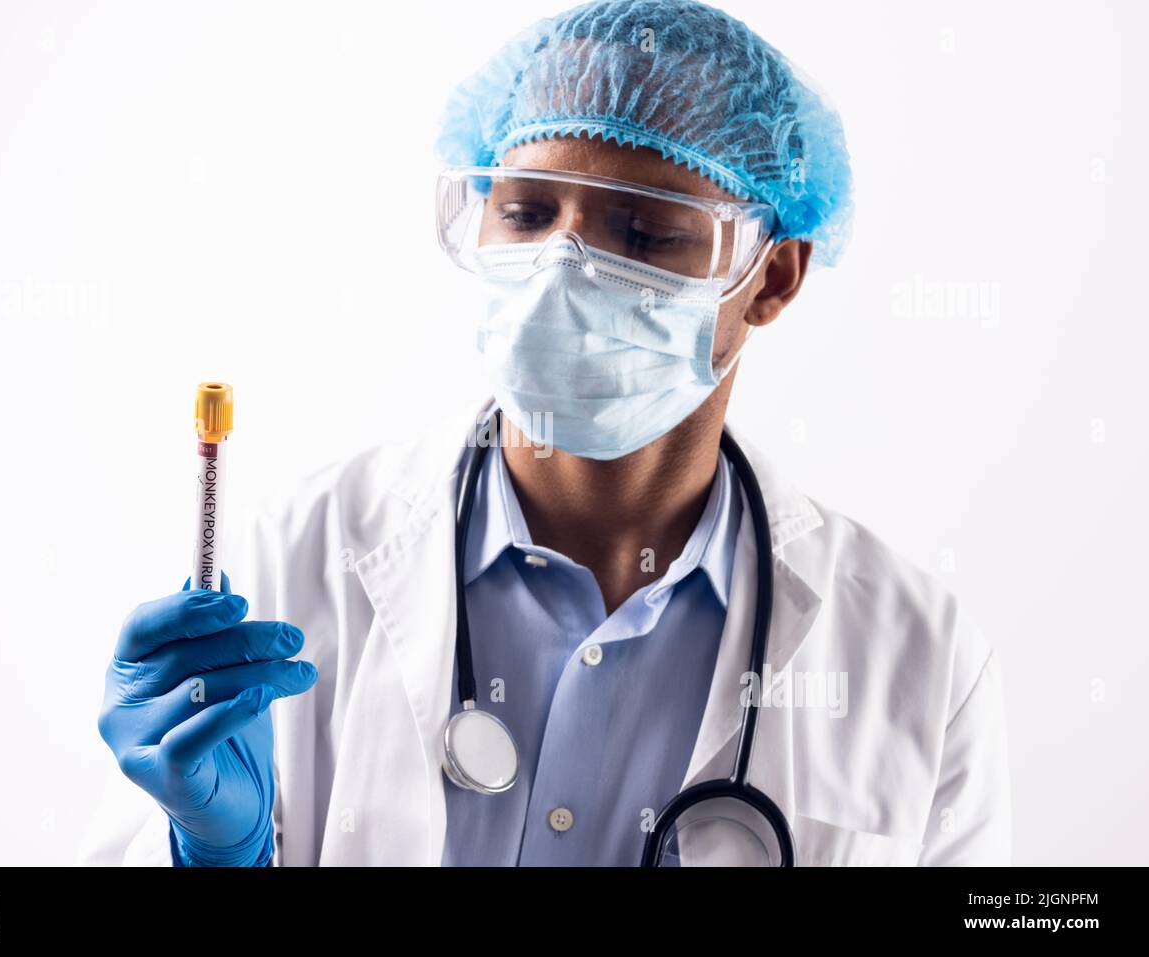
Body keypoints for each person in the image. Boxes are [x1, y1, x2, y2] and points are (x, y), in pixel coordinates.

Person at [85, 0, 1010, 867]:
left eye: (644, 234)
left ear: (772, 279)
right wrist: (213, 851)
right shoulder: (296, 562)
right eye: (526, 213)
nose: (562, 268)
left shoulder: (916, 660)